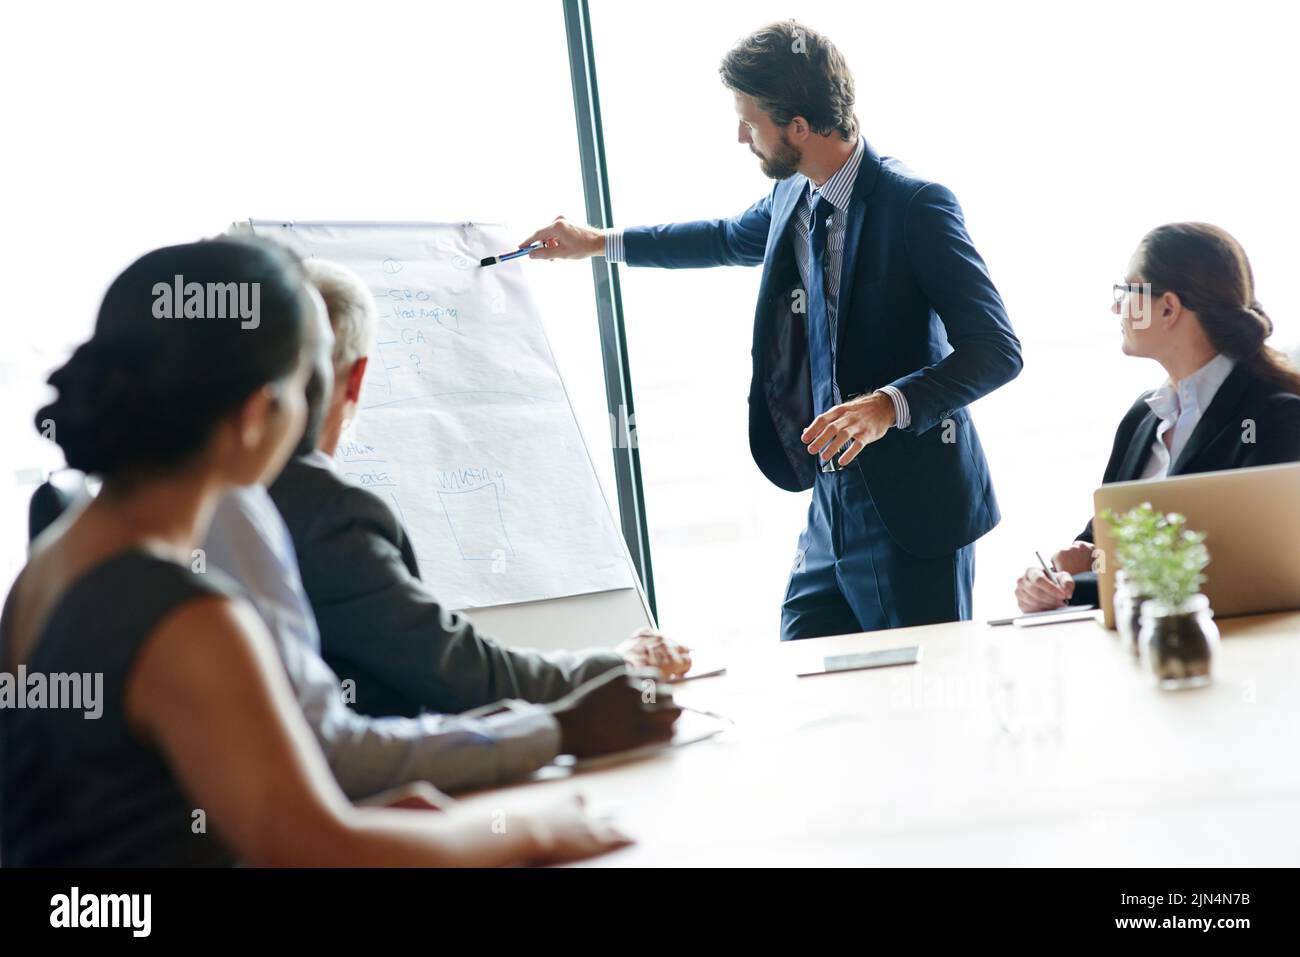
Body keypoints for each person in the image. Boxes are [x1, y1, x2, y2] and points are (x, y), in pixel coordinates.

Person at [0, 237, 630, 866]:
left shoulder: (52, 561)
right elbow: (319, 850)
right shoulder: (190, 618)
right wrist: (533, 831)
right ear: (257, 415)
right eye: (310, 382)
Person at [521, 20, 1022, 640]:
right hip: (827, 502)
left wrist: (888, 406)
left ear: (799, 127)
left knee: (920, 709)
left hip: (912, 510)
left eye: (749, 120)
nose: (740, 135)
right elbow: (726, 237)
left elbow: (997, 350)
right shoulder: (794, 194)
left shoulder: (916, 204)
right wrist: (598, 243)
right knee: (805, 672)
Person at [203, 258, 681, 797]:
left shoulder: (209, 501)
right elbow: (465, 679)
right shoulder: (315, 510)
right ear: (352, 377)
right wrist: (614, 670)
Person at [1015, 222, 1300, 612]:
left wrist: (1080, 586)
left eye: (1127, 292)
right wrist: (1055, 579)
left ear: (1168, 308)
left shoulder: (1276, 417)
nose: (1117, 307)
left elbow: (1238, 574)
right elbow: (1099, 546)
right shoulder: (1143, 418)